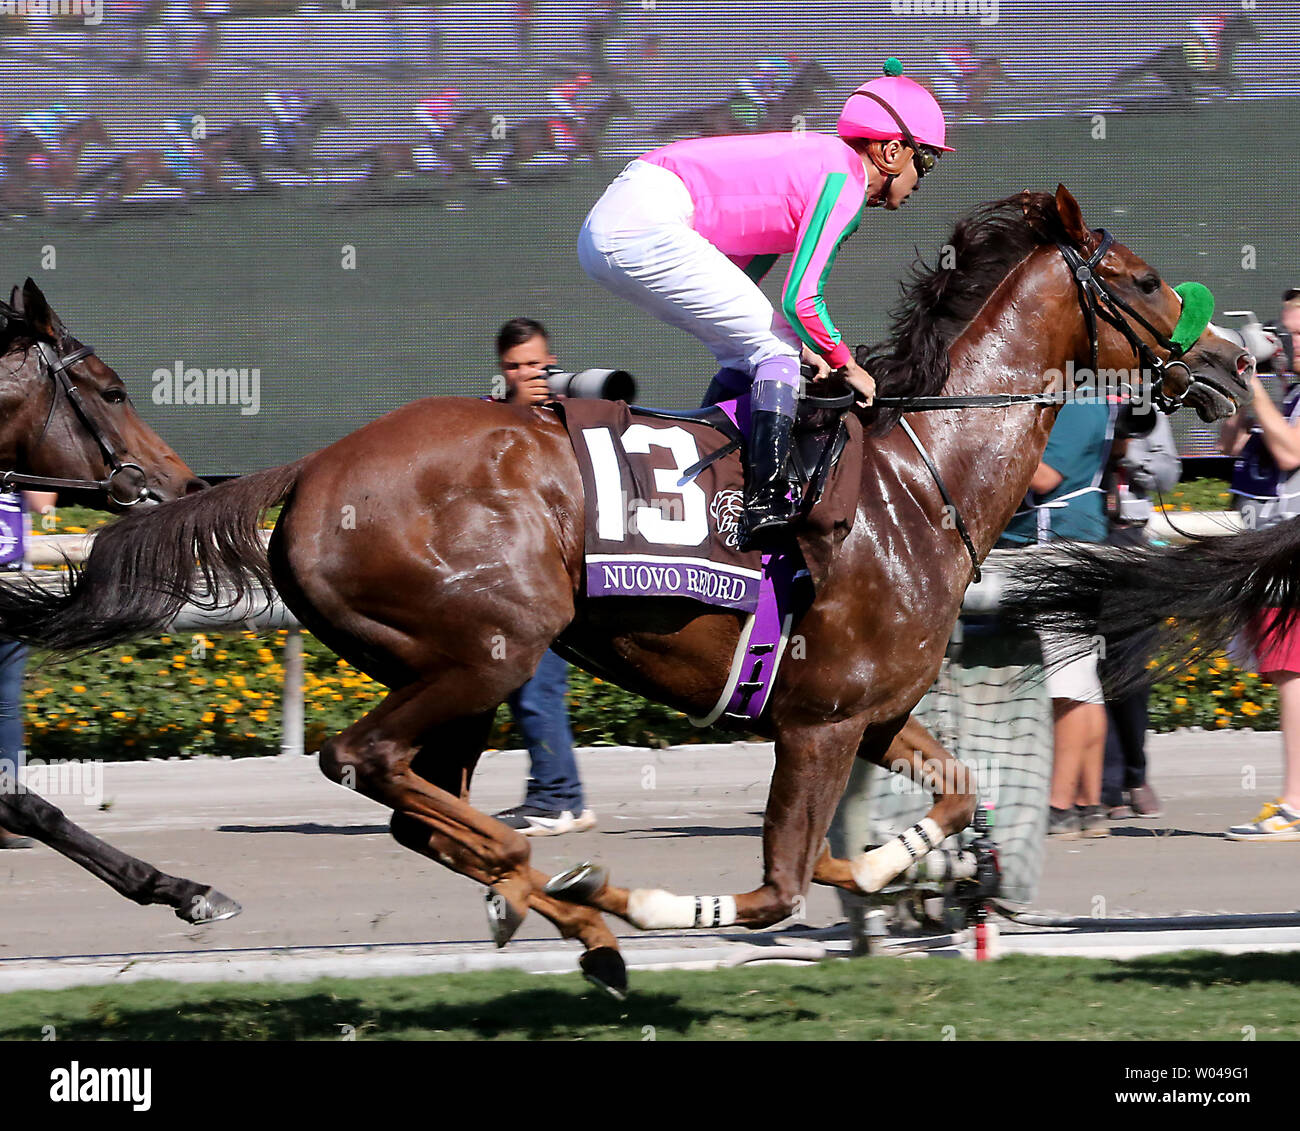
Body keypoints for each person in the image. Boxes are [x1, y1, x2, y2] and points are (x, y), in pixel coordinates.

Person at [577, 58, 948, 544]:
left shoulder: (819, 168)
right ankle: (766, 501)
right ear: (893, 151)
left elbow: (740, 279)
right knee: (775, 346)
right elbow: (802, 298)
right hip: (642, 220)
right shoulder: (843, 181)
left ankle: (708, 476)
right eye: (927, 161)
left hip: (621, 221)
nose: (922, 181)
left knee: (755, 350)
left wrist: (805, 352)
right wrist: (846, 362)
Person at [486, 318, 596, 837]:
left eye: (536, 362)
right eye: (515, 366)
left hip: (564, 577)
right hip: (523, 578)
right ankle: (562, 797)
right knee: (529, 688)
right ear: (501, 369)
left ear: (551, 360)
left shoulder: (571, 414)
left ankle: (556, 800)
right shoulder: (491, 421)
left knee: (535, 688)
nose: (528, 372)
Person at [997, 401, 1116, 838]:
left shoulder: (1081, 398)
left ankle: (1058, 805)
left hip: (1059, 546)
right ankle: (1089, 805)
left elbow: (1044, 477)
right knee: (1083, 682)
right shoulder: (1087, 394)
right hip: (1070, 542)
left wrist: (988, 440)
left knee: (1066, 685)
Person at [1220, 288, 1300, 840]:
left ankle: (1295, 802)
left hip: (1290, 557)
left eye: (1294, 333)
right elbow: (1232, 446)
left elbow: (1292, 453)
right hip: (1268, 552)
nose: (1285, 341)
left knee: (1292, 674)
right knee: (1284, 673)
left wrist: (1253, 384)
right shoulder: (1288, 395)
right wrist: (1239, 386)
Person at [1100, 413, 1180, 819]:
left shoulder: (1147, 406)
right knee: (1090, 671)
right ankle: (1108, 787)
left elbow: (1168, 474)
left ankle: (1135, 773)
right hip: (1085, 536)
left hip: (1132, 541)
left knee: (1131, 666)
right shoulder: (1074, 398)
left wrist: (1129, 456)